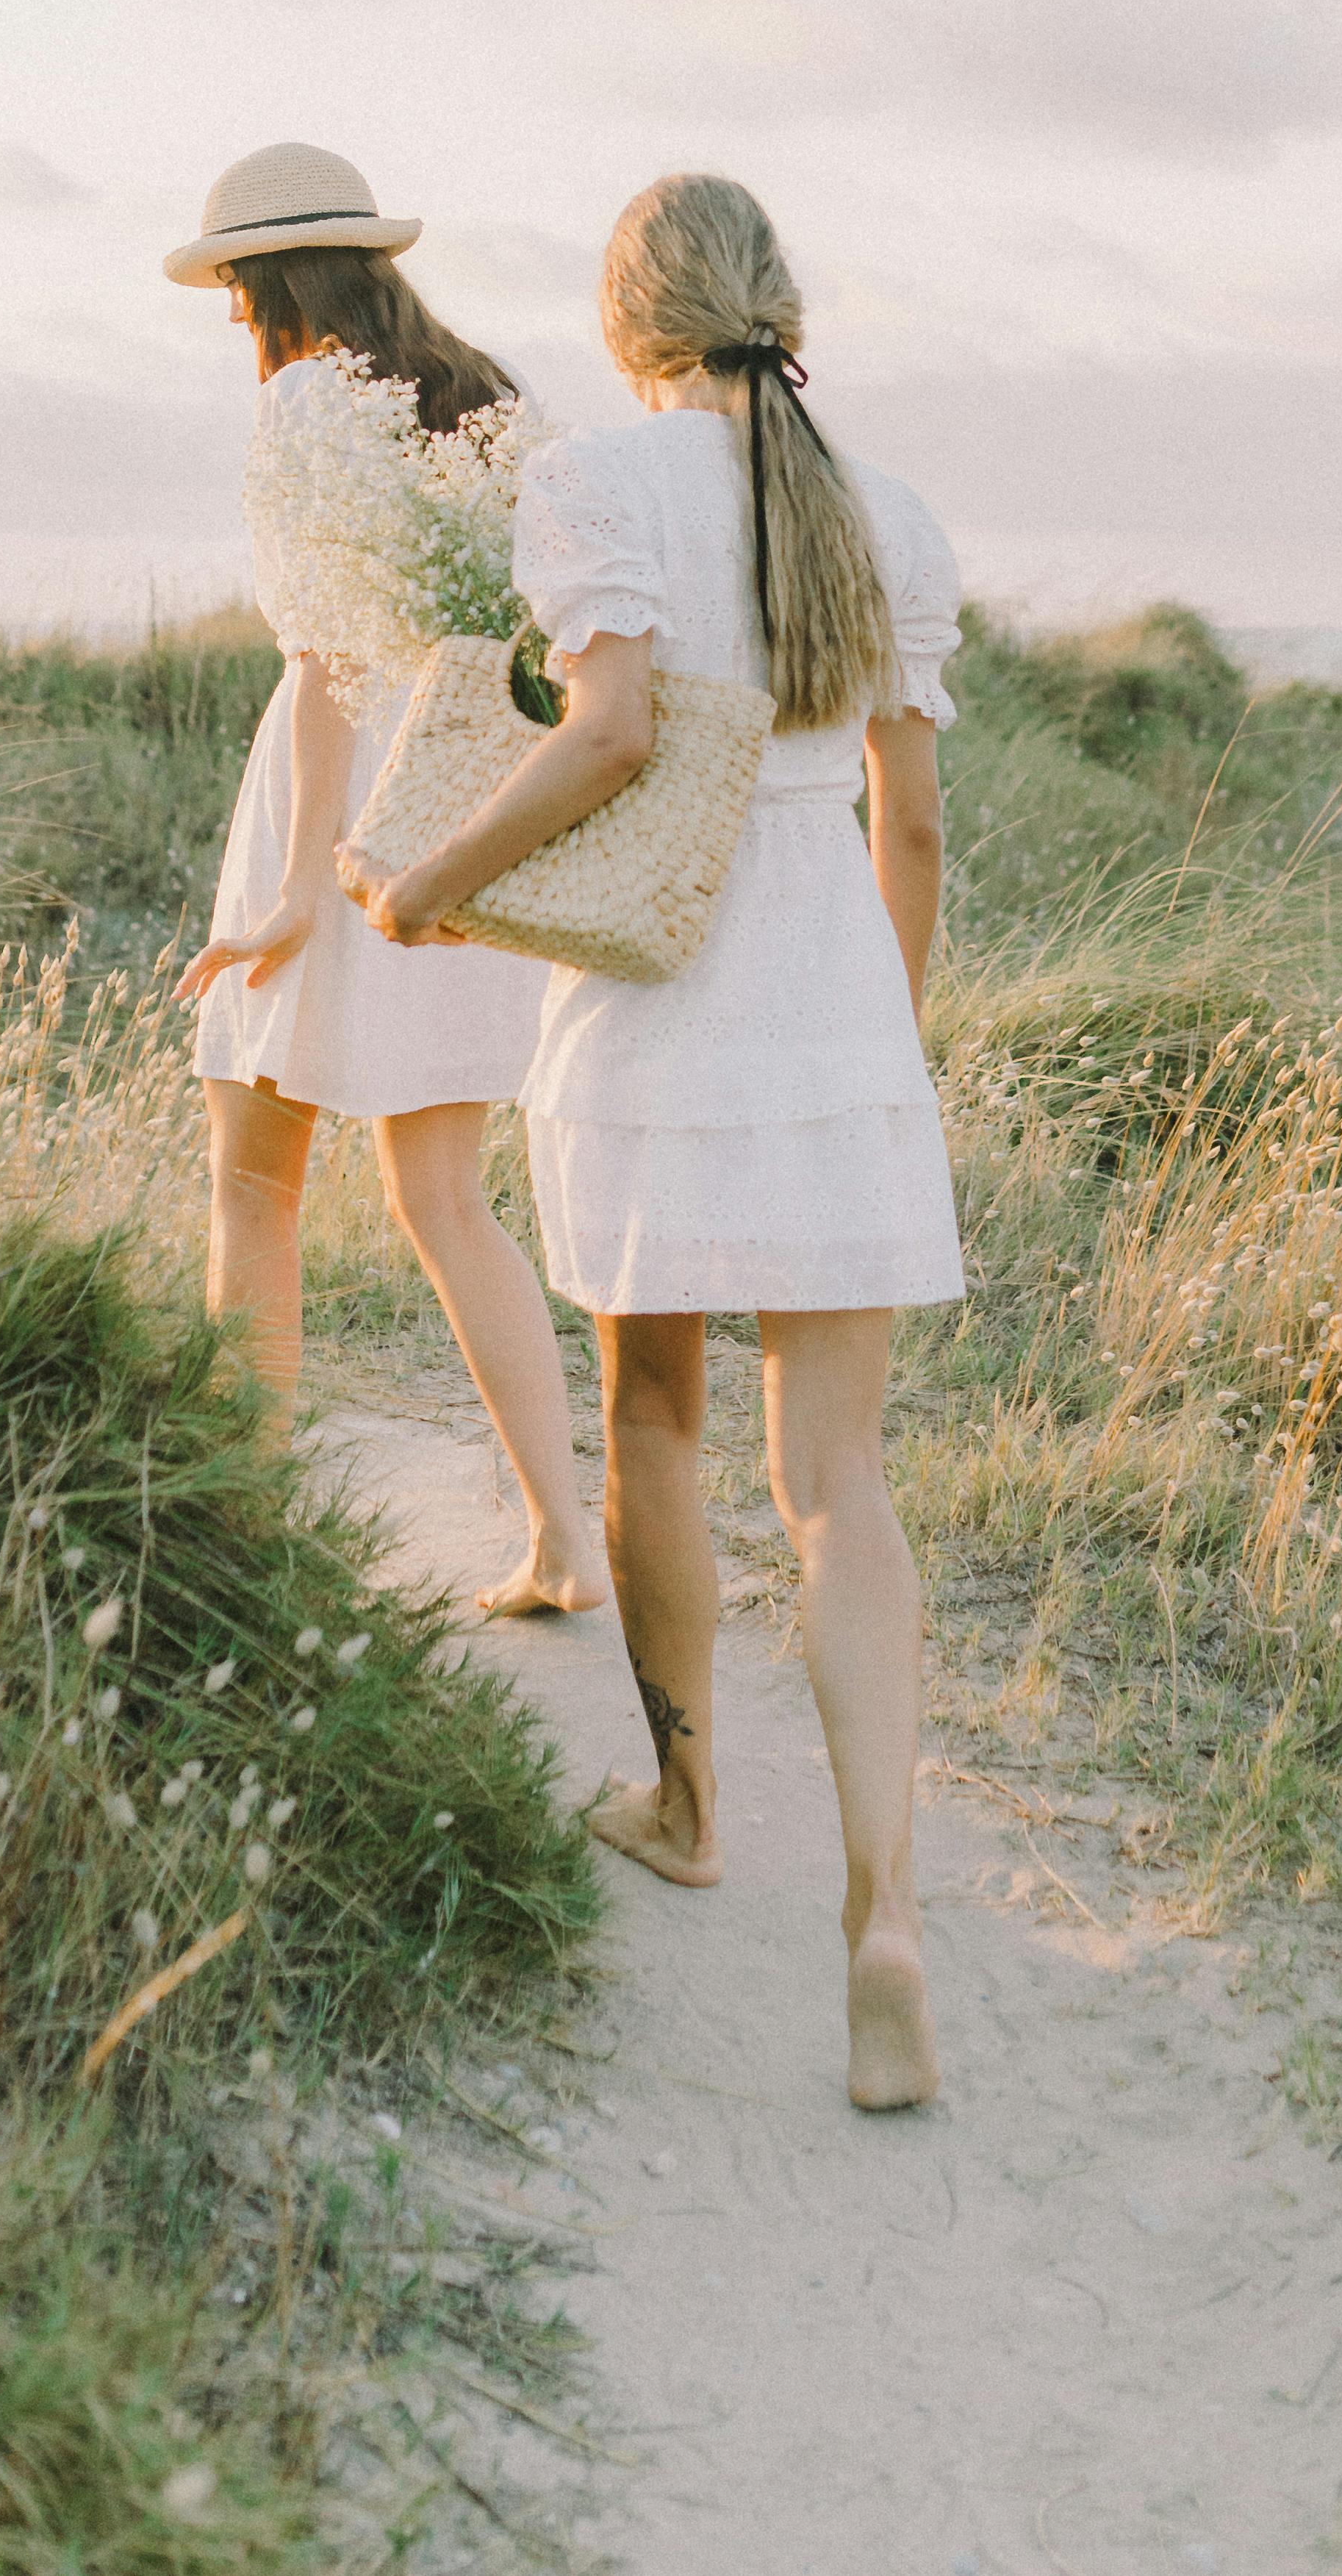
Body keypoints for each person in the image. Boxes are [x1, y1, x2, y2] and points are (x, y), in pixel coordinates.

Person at [354, 171, 962, 2108]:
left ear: (632, 324)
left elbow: (607, 730)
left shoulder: (597, 486)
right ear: (785, 306)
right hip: (835, 1002)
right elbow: (915, 825)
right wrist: (884, 1033)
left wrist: (430, 876)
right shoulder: (895, 515)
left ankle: (692, 1804)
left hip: (654, 1003)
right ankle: (885, 1913)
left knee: (665, 1429)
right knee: (837, 1479)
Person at [163, 140, 601, 1621]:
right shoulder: (484, 386)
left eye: (230, 287)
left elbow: (324, 665)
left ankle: (240, 1524)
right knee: (443, 1195)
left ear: (255, 285)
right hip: (464, 799)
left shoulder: (300, 407)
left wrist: (290, 880)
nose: (229, 317)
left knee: (251, 1182)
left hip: (341, 802)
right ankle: (561, 1535)